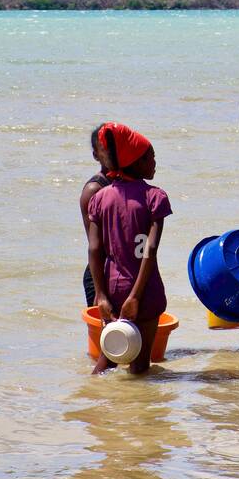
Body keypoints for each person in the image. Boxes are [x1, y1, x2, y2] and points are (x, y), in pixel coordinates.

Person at [87, 123, 172, 376]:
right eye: (150, 157)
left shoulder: (100, 198)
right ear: (136, 161)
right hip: (144, 290)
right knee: (139, 366)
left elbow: (94, 249)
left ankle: (91, 401)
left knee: (108, 357)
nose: (155, 163)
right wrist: (135, 297)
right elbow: (150, 248)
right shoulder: (155, 197)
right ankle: (137, 412)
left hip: (112, 289)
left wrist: (101, 295)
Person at [80, 123, 111, 308]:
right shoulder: (95, 189)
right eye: (104, 149)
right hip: (100, 273)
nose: (110, 152)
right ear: (95, 155)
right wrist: (100, 293)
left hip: (121, 272)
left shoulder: (126, 183)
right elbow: (97, 246)